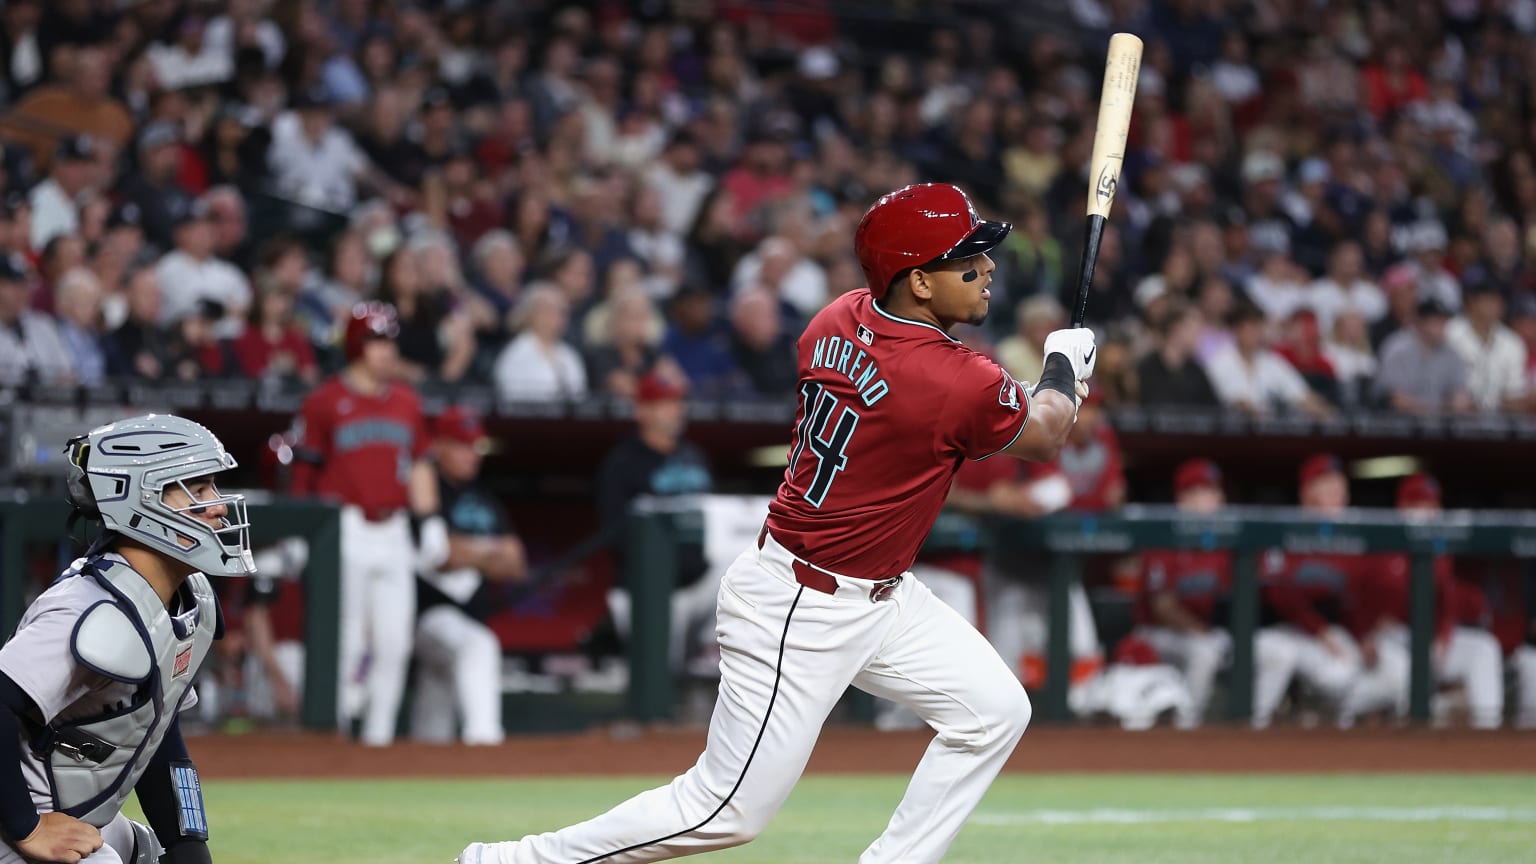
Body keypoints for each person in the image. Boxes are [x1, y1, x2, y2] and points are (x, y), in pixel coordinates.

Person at [457, 181, 1092, 864]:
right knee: (723, 810)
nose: (989, 268)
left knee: (993, 710)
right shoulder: (951, 379)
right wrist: (1063, 365)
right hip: (804, 606)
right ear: (919, 284)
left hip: (878, 593)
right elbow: (1047, 429)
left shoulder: (835, 317)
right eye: (967, 260)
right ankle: (513, 863)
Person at [0, 413, 256, 864]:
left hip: (68, 809)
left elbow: (156, 731)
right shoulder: (87, 607)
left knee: (151, 853)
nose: (217, 505)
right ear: (142, 500)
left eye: (213, 488)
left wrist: (186, 841)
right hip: (16, 816)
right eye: (197, 490)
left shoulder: (185, 600)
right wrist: (26, 826)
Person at [290, 301, 445, 747]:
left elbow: (419, 466)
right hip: (346, 527)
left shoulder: (407, 402)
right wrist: (303, 533)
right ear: (357, 345)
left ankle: (378, 742)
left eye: (389, 342)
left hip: (394, 529)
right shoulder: (324, 401)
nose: (385, 351)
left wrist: (430, 520)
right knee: (349, 640)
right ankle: (336, 735)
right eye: (376, 341)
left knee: (395, 643)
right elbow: (305, 472)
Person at [1131, 459, 1296, 728]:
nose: (1207, 500)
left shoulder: (1231, 539)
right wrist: (1204, 631)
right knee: (1205, 651)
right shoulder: (1164, 536)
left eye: (1211, 492)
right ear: (1181, 499)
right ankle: (1188, 725)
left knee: (1281, 650)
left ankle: (1254, 724)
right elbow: (1164, 607)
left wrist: (1228, 635)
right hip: (1160, 634)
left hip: (1214, 632)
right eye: (1197, 493)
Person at [411, 407, 526, 747]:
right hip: (427, 613)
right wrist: (489, 552)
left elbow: (516, 562)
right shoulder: (427, 488)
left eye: (475, 445)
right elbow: (441, 555)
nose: (472, 454)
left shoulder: (483, 496)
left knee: (433, 726)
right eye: (462, 445)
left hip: (469, 614)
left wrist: (469, 551)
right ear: (440, 444)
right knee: (480, 646)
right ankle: (485, 744)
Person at [595, 371, 715, 671]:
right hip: (648, 592)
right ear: (642, 410)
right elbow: (617, 536)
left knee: (742, 568)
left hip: (698, 585)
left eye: (678, 402)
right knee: (660, 676)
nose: (677, 410)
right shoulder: (622, 462)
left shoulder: (695, 455)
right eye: (665, 403)